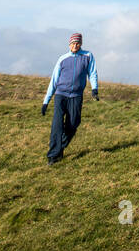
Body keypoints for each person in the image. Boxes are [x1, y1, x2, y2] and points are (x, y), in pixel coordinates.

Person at [42, 32, 99, 164]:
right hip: (61, 95)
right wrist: (46, 101)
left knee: (73, 123)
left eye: (78, 43)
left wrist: (94, 89)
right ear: (69, 44)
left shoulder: (87, 56)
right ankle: (53, 155)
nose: (75, 45)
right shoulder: (62, 59)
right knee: (57, 125)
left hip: (76, 96)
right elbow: (54, 81)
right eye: (73, 43)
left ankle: (60, 147)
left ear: (81, 44)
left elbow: (92, 73)